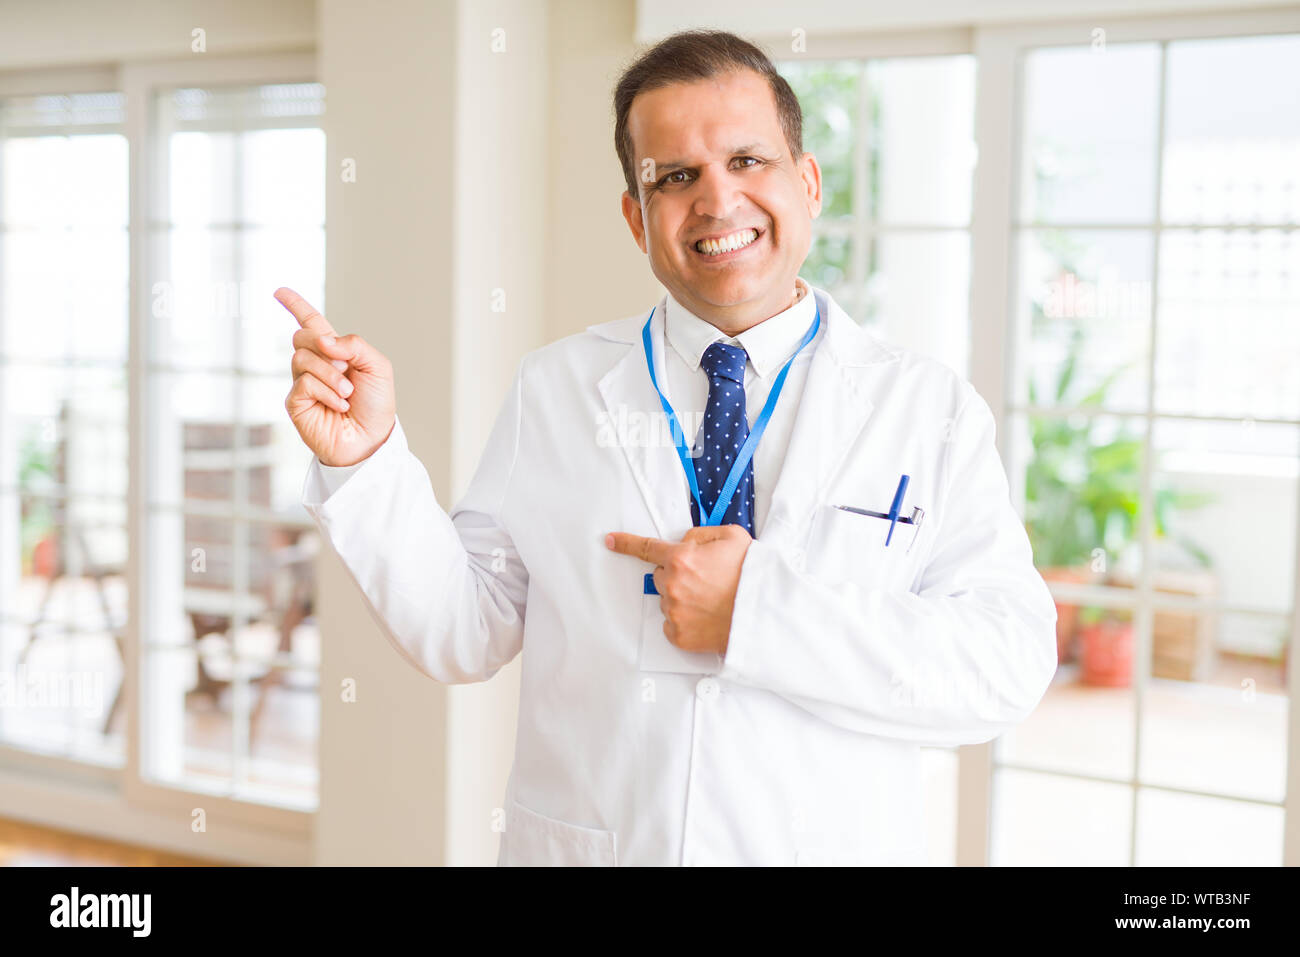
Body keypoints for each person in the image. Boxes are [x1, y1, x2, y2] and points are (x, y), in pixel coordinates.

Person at [277, 29, 1057, 866]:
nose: (717, 201)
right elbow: (464, 628)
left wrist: (757, 611)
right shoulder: (556, 389)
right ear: (635, 215)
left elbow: (1005, 664)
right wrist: (366, 460)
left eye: (749, 160)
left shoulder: (925, 407)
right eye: (674, 176)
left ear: (809, 181)